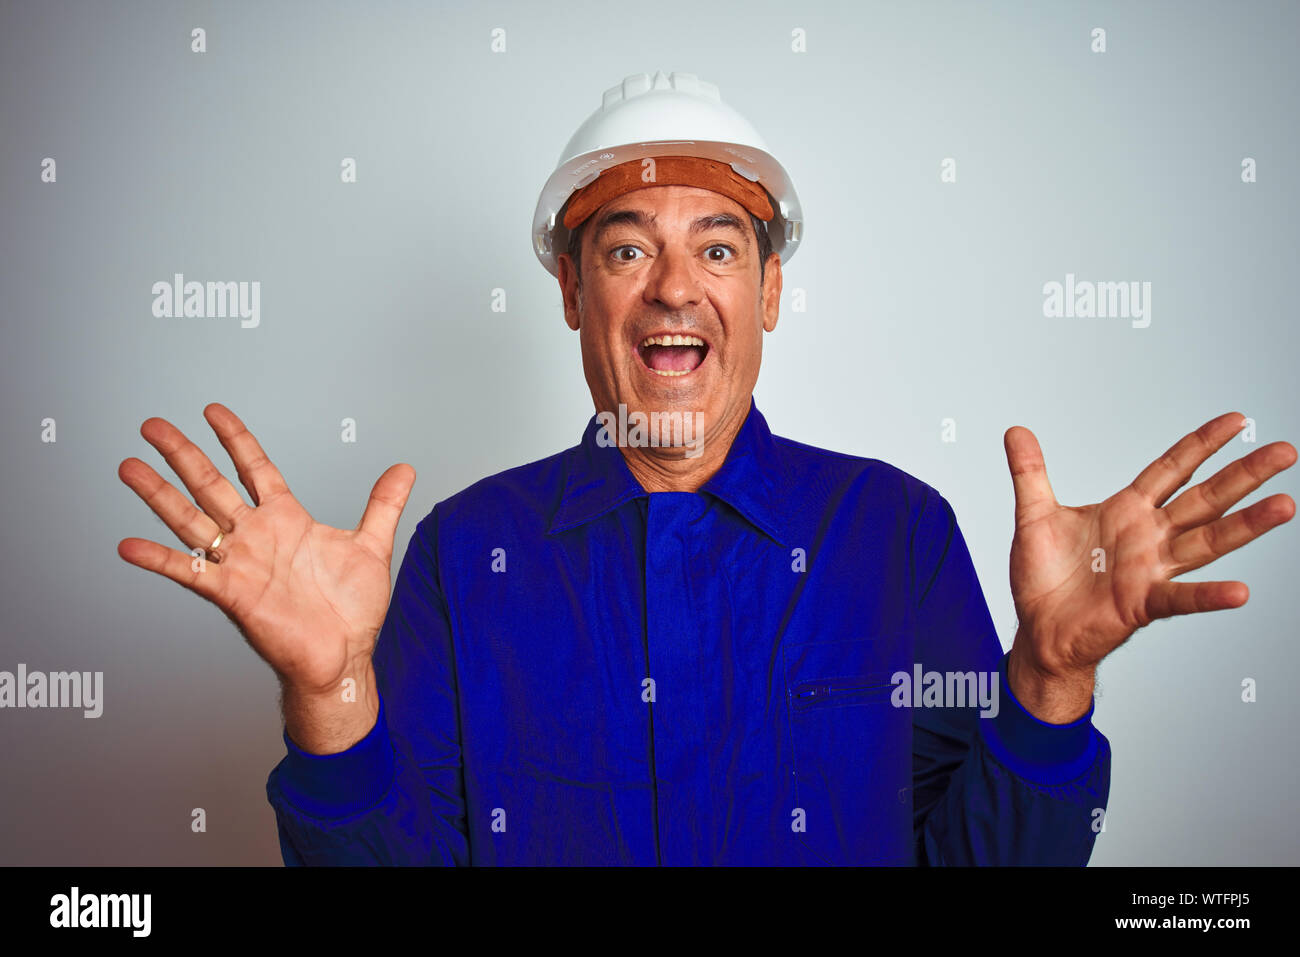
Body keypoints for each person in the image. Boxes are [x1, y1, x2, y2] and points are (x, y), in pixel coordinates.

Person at [116, 72, 1296, 865]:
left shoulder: (893, 532)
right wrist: (329, 700)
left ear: (767, 293)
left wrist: (1048, 682)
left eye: (717, 247)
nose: (674, 287)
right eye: (627, 248)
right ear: (573, 293)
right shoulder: (459, 554)